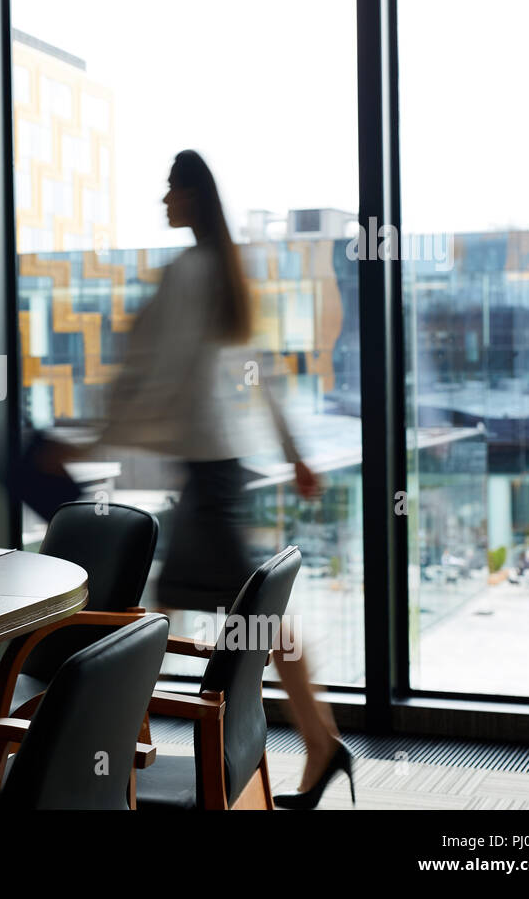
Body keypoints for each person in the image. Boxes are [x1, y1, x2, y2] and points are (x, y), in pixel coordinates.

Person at [52, 149, 351, 808]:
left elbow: (152, 369)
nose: (162, 201)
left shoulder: (191, 272)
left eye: (169, 189)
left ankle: (104, 750)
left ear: (190, 195)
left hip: (211, 476)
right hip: (216, 473)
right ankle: (311, 740)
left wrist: (89, 440)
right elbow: (257, 373)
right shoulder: (225, 270)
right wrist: (293, 451)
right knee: (220, 614)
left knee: (195, 618)